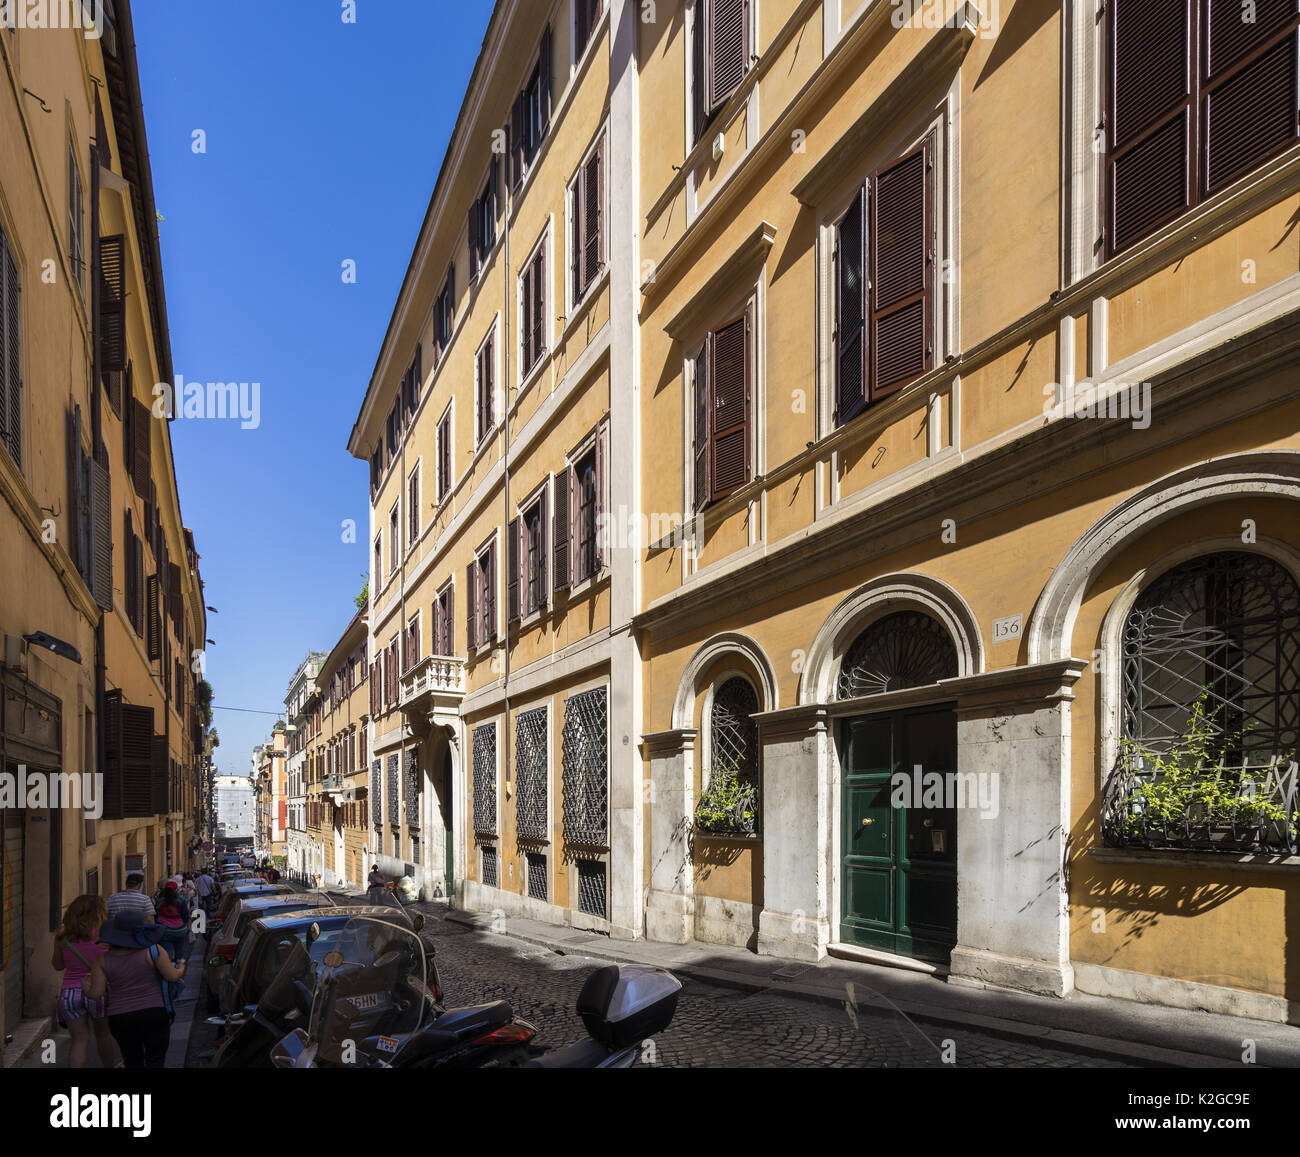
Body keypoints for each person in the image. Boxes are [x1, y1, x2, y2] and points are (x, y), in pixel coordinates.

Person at [83, 913, 186, 1069]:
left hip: (120, 1017)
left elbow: (95, 994)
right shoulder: (154, 951)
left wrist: (85, 988)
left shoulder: (102, 960)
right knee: (155, 1059)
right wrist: (181, 968)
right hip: (154, 1012)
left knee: (132, 1060)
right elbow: (172, 977)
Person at [50, 895, 115, 1069]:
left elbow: (57, 966)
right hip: (97, 990)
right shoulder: (104, 937)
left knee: (79, 1041)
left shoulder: (62, 938)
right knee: (103, 1035)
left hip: (69, 993)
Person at [154, 882, 191, 964]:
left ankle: (169, 969)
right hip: (180, 930)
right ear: (176, 889)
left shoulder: (160, 901)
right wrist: (182, 925)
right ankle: (180, 968)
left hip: (165, 931)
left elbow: (156, 916)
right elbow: (185, 916)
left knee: (167, 951)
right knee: (179, 949)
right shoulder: (181, 900)